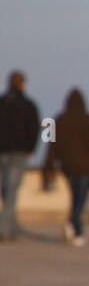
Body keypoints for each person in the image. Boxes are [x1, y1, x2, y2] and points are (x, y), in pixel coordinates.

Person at [43, 88, 89, 247]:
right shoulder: (88, 119)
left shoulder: (60, 119)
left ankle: (71, 224)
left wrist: (48, 167)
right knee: (80, 199)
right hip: (85, 165)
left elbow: (51, 145)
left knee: (74, 197)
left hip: (67, 165)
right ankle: (75, 229)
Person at [0, 70, 41, 242]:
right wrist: (30, 148)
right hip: (19, 153)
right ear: (23, 84)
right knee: (12, 191)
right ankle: (5, 229)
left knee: (6, 190)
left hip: (2, 151)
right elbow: (34, 129)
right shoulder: (28, 105)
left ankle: (11, 227)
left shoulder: (2, 103)